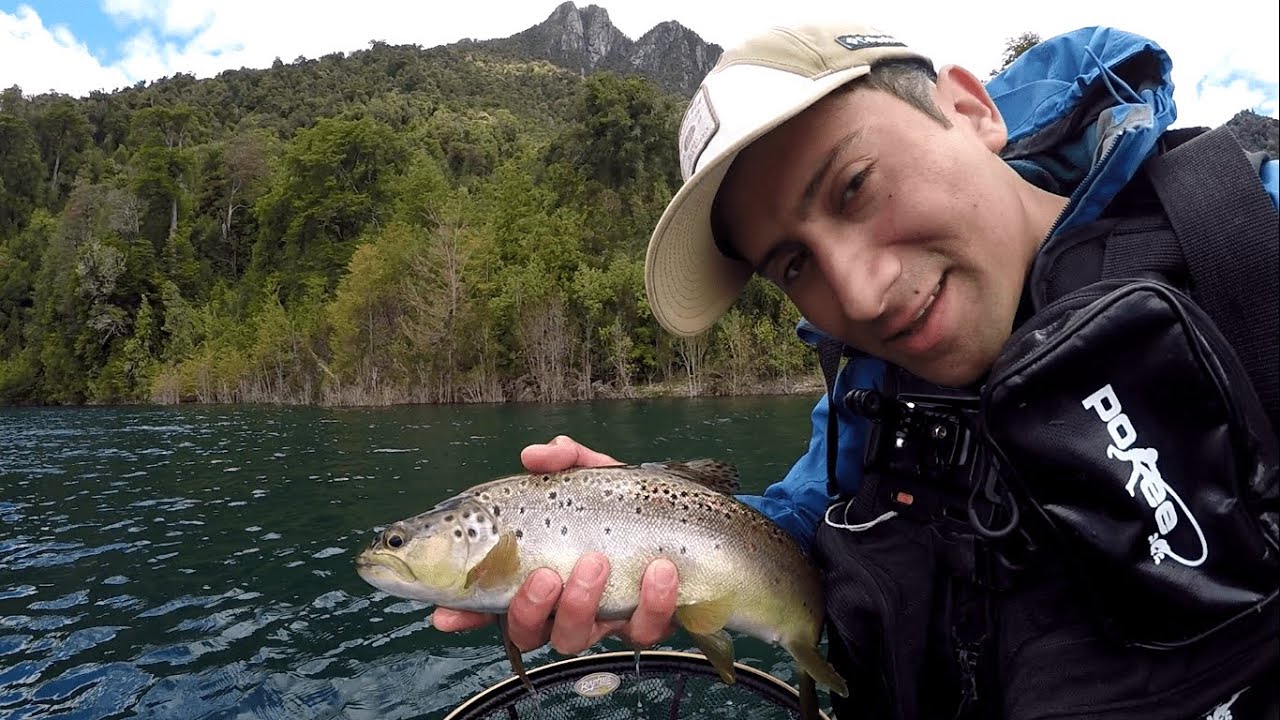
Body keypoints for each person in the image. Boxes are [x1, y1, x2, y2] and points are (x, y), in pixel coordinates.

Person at [435, 18, 1279, 719]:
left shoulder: (1254, 250)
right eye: (793, 265)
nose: (862, 294)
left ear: (972, 109)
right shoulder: (867, 394)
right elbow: (803, 523)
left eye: (855, 186)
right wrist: (649, 521)